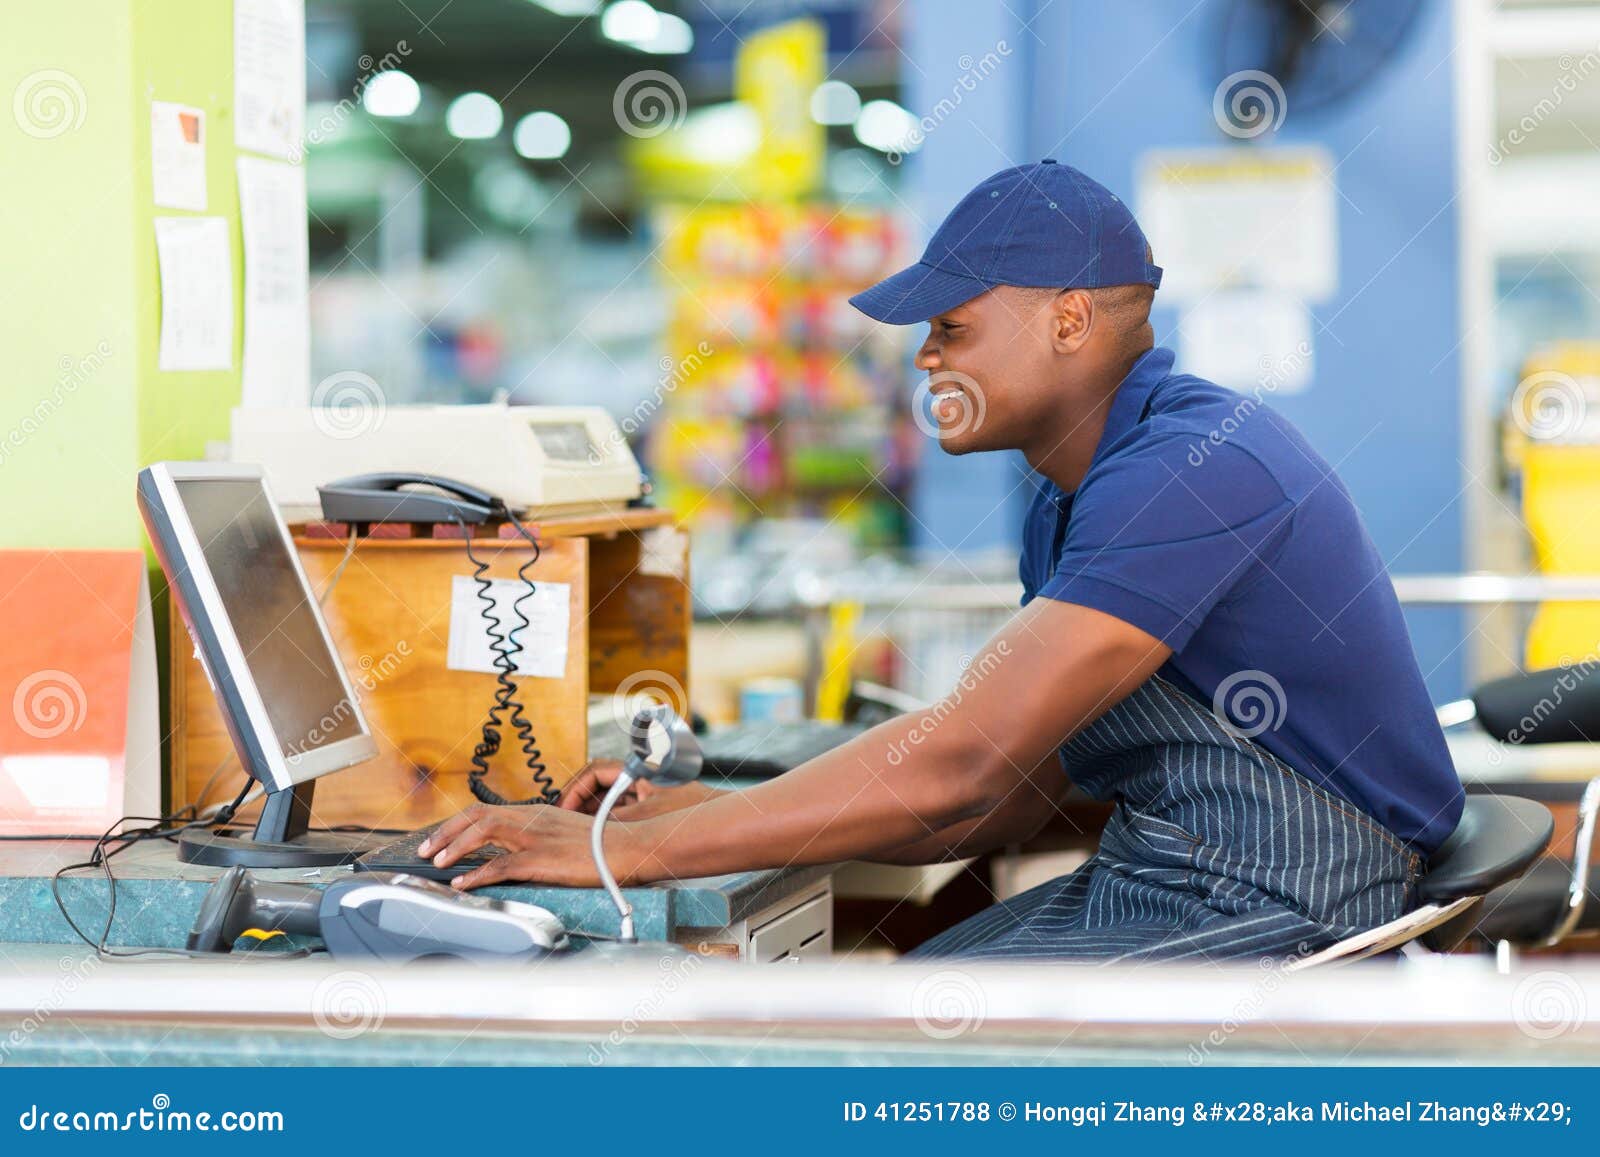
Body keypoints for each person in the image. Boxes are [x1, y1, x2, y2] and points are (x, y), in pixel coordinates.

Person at [419, 160, 1465, 962]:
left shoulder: (1193, 468)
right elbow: (1011, 790)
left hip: (1289, 898)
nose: (926, 356)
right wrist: (687, 813)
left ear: (1066, 319)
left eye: (953, 327)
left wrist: (622, 854)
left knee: (881, 1059)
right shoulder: (1078, 500)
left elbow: (962, 760)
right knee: (894, 1005)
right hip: (1176, 873)